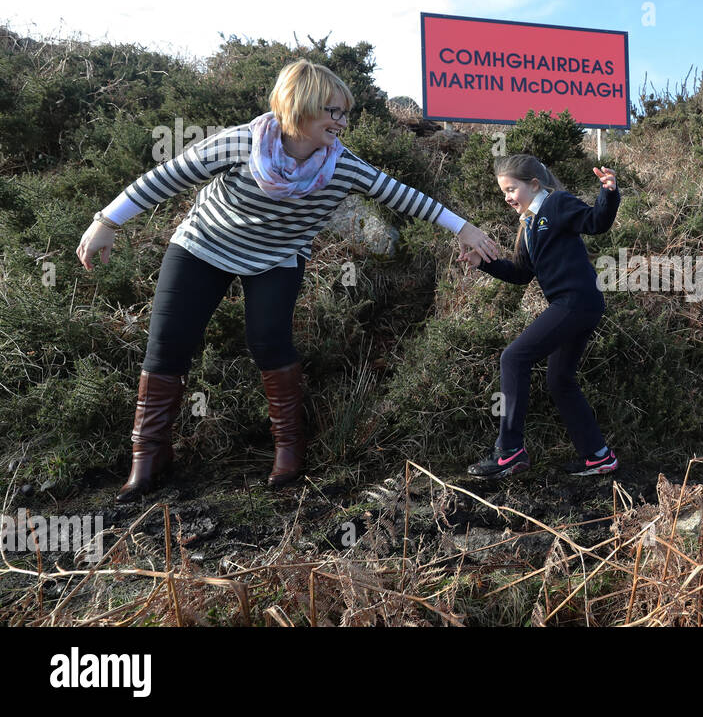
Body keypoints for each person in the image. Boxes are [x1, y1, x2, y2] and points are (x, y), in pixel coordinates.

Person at [75, 59, 502, 502]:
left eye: (345, 113)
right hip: (204, 245)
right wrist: (107, 221)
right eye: (333, 111)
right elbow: (167, 177)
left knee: (269, 342)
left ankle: (289, 451)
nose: (342, 121)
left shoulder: (344, 166)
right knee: (168, 342)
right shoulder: (240, 143)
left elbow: (405, 196)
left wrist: (465, 229)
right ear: (300, 107)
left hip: (277, 256)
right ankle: (148, 458)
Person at [459, 155, 620, 478]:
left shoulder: (557, 204)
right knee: (560, 379)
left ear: (533, 185)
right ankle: (598, 456)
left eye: (511, 189)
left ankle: (509, 451)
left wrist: (609, 193)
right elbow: (521, 274)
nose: (507, 197)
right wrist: (484, 263)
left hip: (575, 302)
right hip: (575, 305)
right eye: (503, 191)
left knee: (513, 358)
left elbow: (596, 222)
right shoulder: (528, 225)